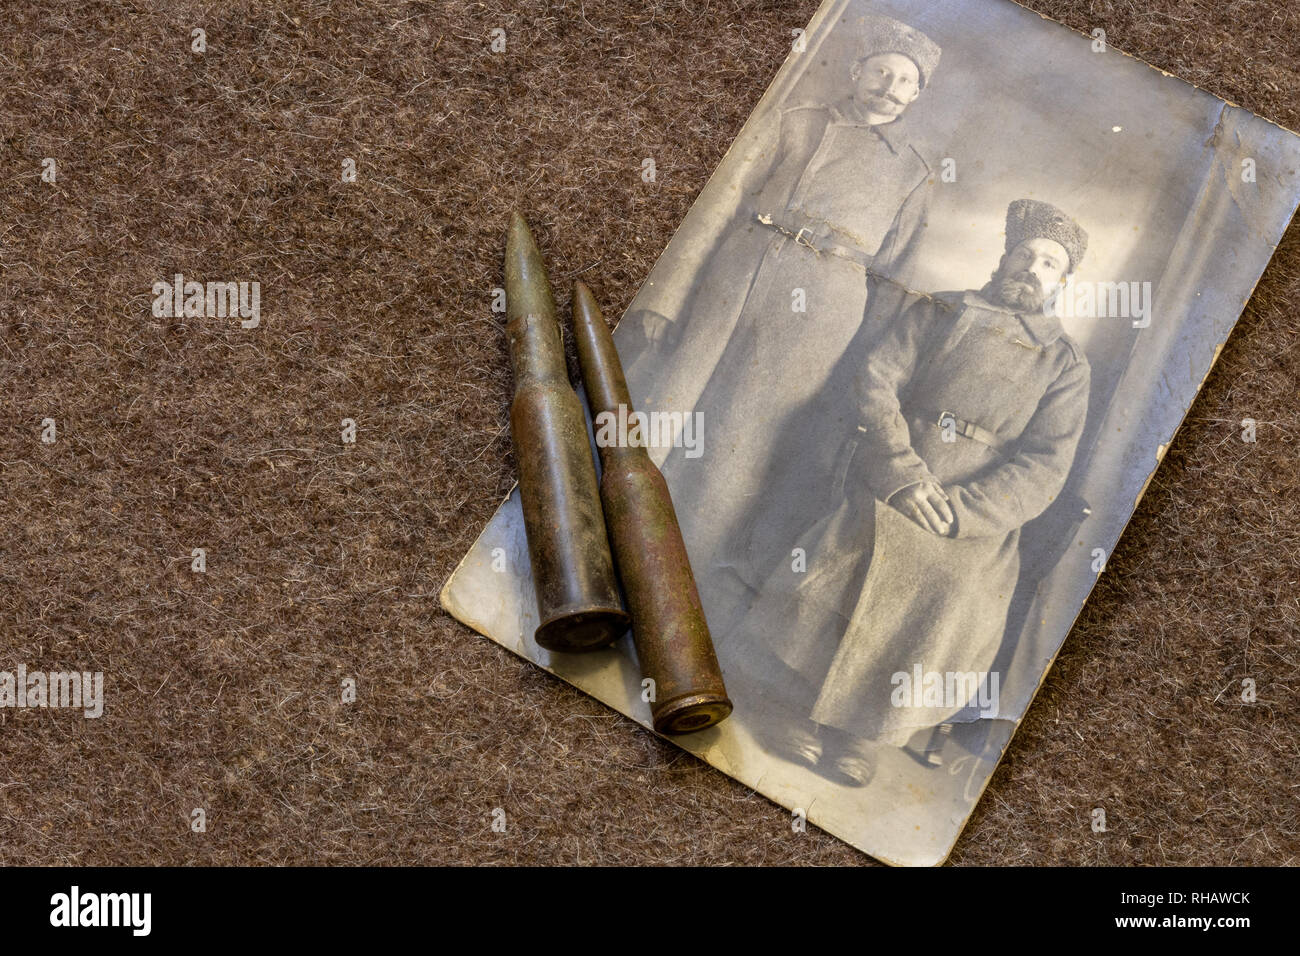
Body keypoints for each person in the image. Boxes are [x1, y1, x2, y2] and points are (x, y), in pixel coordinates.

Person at [739, 199, 1093, 787]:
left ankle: (862, 727)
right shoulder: (941, 309)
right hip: (891, 469)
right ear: (1004, 258)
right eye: (1025, 254)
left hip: (973, 519)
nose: (1032, 268)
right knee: (855, 547)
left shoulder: (1066, 363)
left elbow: (1045, 467)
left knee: (951, 585)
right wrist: (903, 475)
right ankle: (791, 703)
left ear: (1062, 281)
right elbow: (876, 382)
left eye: (1049, 263)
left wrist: (960, 513)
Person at [624, 15, 944, 633]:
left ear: (915, 96)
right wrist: (664, 295)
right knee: (670, 402)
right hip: (735, 275)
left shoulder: (915, 173)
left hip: (821, 314)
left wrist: (856, 369)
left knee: (739, 443)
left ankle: (675, 585)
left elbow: (893, 280)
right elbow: (717, 202)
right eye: (880, 69)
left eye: (904, 80)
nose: (888, 85)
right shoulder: (797, 121)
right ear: (856, 72)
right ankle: (615, 532)